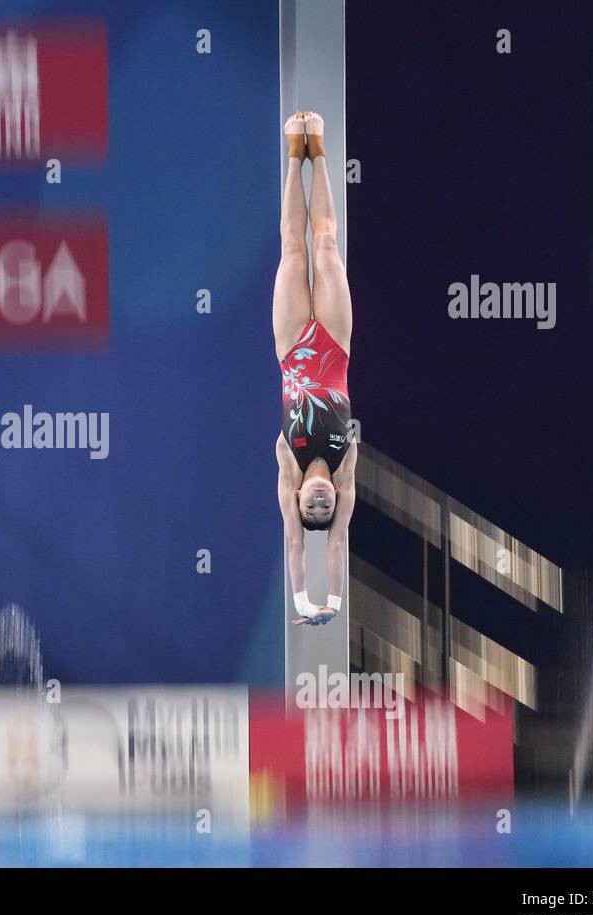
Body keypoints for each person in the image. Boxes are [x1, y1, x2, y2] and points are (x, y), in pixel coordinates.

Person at [274, 111, 356, 626]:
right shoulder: (346, 466)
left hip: (291, 350)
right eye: (329, 508)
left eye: (314, 509)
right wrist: (338, 603)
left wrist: (306, 602)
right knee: (325, 250)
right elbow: (338, 540)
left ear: (299, 498)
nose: (323, 503)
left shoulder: (289, 461)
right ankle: (319, 149)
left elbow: (297, 546)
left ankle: (292, 155)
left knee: (291, 250)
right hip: (334, 345)